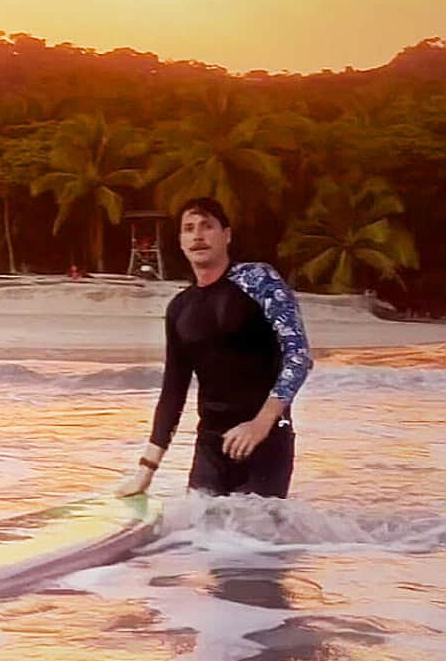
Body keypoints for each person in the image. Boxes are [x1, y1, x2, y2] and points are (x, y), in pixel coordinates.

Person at [116, 197, 313, 499]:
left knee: (251, 538)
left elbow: (298, 356)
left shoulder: (259, 279)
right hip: (210, 446)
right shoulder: (180, 309)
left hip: (267, 438)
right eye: (189, 228)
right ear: (181, 242)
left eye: (207, 226)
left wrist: (261, 424)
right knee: (202, 538)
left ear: (227, 235)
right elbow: (173, 391)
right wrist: (145, 471)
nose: (198, 235)